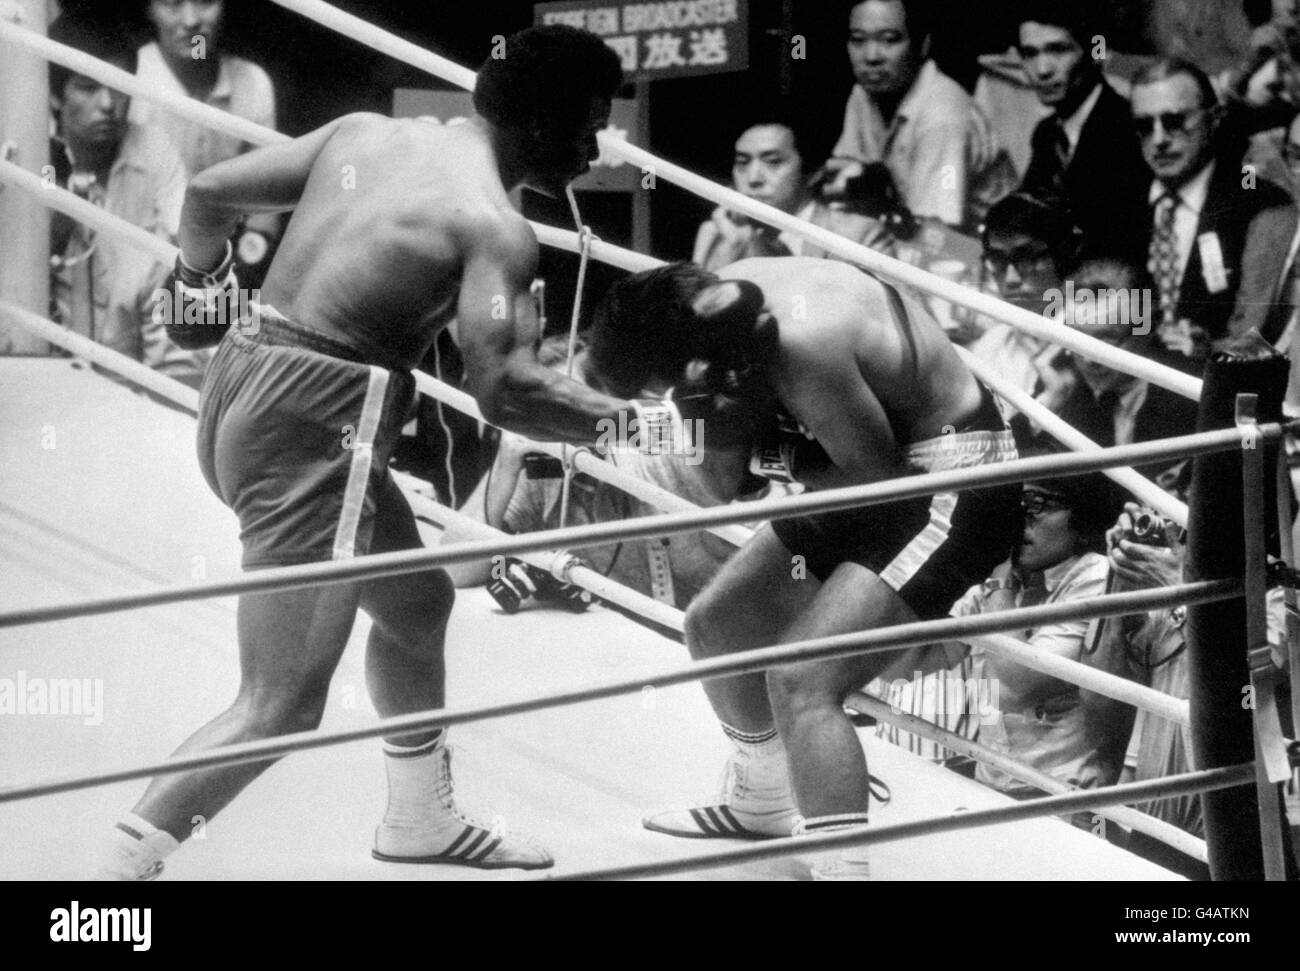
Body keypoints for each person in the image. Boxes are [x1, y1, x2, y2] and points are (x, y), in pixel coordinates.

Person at [95, 25, 643, 880]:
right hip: (320, 424)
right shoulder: (494, 227)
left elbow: (206, 193)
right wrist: (632, 426)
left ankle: (420, 818)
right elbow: (506, 392)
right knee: (282, 700)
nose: (594, 148)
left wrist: (198, 294)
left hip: (246, 380)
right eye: (588, 125)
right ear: (538, 127)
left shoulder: (362, 134)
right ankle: (98, 891)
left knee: (418, 606)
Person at [586, 258, 1023, 878]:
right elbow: (731, 482)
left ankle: (843, 873)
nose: (679, 394)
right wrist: (733, 426)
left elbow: (879, 485)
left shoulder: (799, 342)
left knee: (802, 680)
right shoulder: (722, 305)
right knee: (717, 622)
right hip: (872, 467)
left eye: (669, 385)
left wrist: (760, 447)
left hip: (951, 480)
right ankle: (761, 802)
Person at [45, 14, 209, 389]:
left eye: (118, 87)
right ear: (54, 95)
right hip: (47, 376)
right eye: (87, 87)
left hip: (137, 378)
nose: (108, 104)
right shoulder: (30, 162)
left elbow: (182, 270)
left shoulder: (154, 151)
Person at [1133, 58, 1292, 358]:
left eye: (1175, 122)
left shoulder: (1259, 204)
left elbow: (1253, 338)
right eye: (1144, 127)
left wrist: (1207, 347)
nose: (1159, 140)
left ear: (1214, 118)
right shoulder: (1124, 203)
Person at [822, 0, 1014, 231]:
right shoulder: (863, 94)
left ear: (922, 44)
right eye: (858, 40)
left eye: (890, 39)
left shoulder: (942, 115)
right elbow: (846, 182)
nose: (871, 56)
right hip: (904, 229)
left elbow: (933, 230)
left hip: (979, 247)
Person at [131, 0, 281, 287]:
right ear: (149, 8)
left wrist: (242, 264)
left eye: (204, 1)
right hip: (144, 268)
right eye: (172, 3)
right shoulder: (130, 82)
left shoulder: (252, 82)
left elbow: (269, 198)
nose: (190, 21)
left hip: (230, 266)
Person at [1014, 1, 1150, 265]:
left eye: (1059, 50)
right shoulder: (1046, 135)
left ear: (1095, 51)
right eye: (1030, 54)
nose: (1042, 70)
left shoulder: (1131, 130)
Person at [692, 119, 891, 271]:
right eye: (743, 163)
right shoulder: (715, 232)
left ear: (814, 173)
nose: (753, 179)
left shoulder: (858, 234)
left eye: (773, 162)